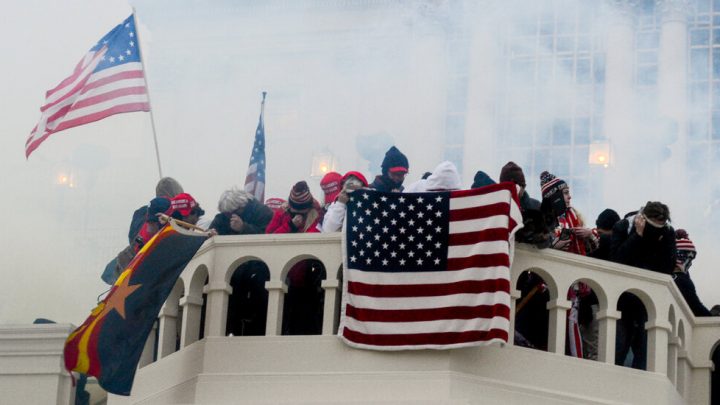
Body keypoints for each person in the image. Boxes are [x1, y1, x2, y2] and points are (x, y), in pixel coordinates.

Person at [610, 201, 676, 275]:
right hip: (625, 274)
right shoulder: (623, 226)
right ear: (642, 219)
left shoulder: (667, 232)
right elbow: (616, 260)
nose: (654, 232)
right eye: (652, 227)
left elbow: (668, 268)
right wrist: (637, 236)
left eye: (658, 229)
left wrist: (661, 245)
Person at [672, 230, 712, 317]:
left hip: (676, 276)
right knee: (694, 305)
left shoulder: (674, 245)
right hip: (685, 277)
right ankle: (710, 317)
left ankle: (711, 318)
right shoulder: (690, 247)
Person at [209, 187, 274, 235]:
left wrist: (243, 227)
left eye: (233, 212)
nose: (230, 216)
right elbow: (207, 235)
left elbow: (268, 235)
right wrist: (211, 235)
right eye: (227, 214)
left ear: (243, 205)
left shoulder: (263, 212)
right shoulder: (222, 218)